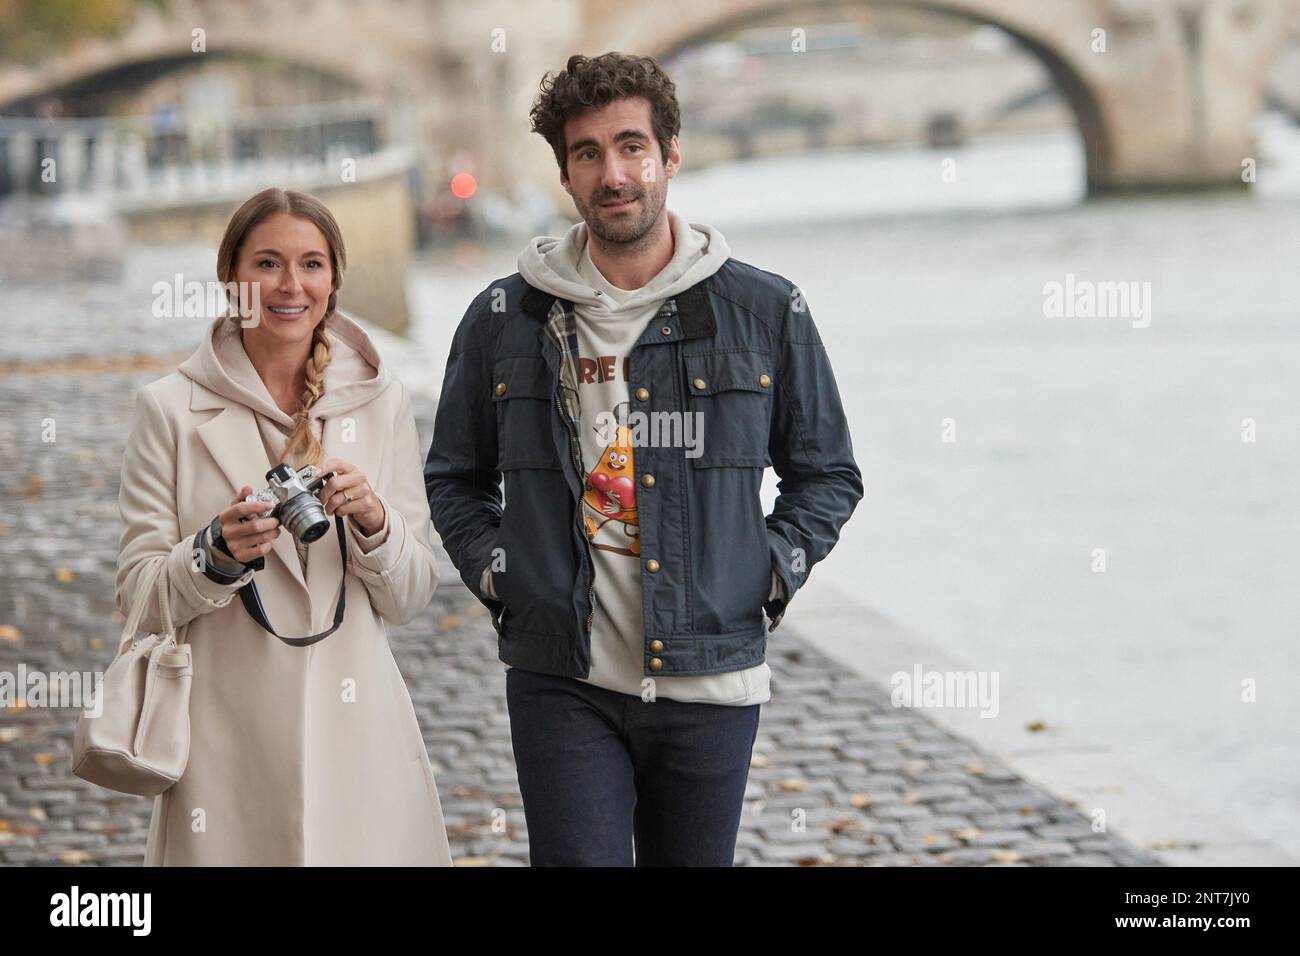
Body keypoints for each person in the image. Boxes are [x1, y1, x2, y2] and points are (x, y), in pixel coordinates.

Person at [425, 53, 863, 866]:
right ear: (565, 175)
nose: (613, 172)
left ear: (670, 155)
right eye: (587, 153)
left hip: (711, 676)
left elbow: (827, 472)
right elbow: (454, 476)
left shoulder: (764, 310)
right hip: (563, 676)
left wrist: (766, 572)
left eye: (632, 146)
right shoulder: (503, 318)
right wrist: (500, 573)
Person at [115, 187, 451, 865]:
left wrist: (377, 523)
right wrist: (214, 552)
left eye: (312, 264)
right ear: (231, 278)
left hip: (359, 744)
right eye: (267, 264)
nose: (291, 285)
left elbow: (413, 594)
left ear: (334, 279)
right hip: (224, 749)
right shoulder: (168, 410)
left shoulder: (381, 402)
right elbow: (138, 598)